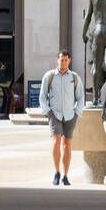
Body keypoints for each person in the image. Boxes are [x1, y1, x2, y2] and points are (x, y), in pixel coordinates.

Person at [39, 49, 85, 186]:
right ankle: (56, 172)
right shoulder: (50, 76)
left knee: (67, 145)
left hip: (70, 115)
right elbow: (42, 96)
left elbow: (81, 96)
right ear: (57, 60)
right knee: (55, 141)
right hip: (55, 114)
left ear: (69, 60)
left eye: (66, 59)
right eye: (61, 59)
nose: (63, 62)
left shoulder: (74, 77)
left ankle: (65, 175)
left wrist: (77, 112)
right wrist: (47, 111)